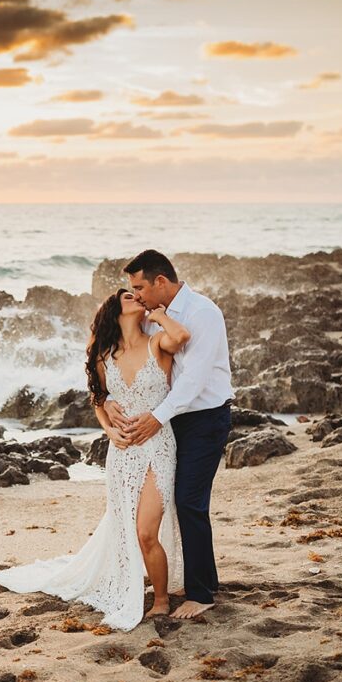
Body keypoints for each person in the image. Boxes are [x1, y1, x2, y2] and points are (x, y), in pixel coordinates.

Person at [0, 287, 190, 631]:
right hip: (123, 452)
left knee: (146, 530)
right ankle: (148, 585)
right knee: (128, 528)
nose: (136, 297)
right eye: (127, 296)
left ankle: (162, 600)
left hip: (158, 447)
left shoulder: (158, 343)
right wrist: (110, 432)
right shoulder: (103, 356)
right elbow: (98, 399)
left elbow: (181, 335)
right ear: (113, 310)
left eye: (139, 294)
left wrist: (158, 314)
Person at [105, 249, 234, 621]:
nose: (137, 295)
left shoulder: (202, 313)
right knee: (179, 504)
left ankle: (201, 593)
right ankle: (201, 578)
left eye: (140, 286)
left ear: (161, 281)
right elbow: (132, 361)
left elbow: (192, 382)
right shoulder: (150, 319)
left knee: (189, 501)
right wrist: (112, 400)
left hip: (205, 419)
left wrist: (157, 418)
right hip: (171, 420)